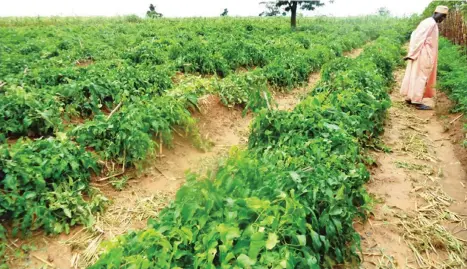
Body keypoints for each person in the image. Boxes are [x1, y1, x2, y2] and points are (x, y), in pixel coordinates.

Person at [400, 5, 449, 110]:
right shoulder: (430, 23)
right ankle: (417, 102)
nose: (442, 19)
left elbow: (415, 35)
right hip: (424, 55)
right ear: (436, 13)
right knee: (421, 77)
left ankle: (411, 98)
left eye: (444, 17)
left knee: (416, 75)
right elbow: (418, 38)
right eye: (442, 16)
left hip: (423, 54)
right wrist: (412, 54)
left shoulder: (429, 22)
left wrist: (412, 53)